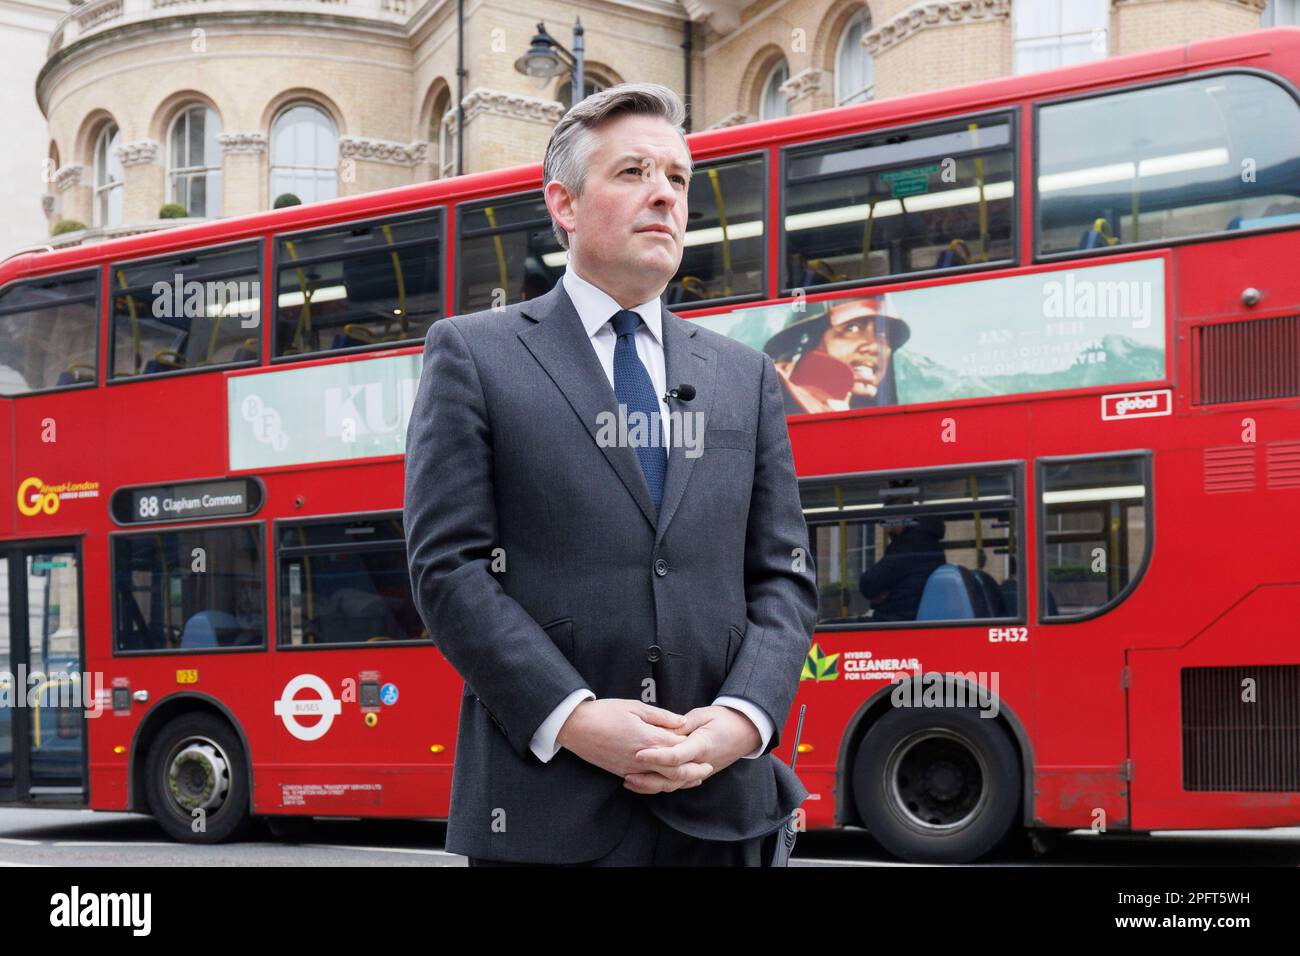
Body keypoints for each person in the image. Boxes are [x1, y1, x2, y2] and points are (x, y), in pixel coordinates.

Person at [403, 82, 818, 866]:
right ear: (563, 204)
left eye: (677, 178)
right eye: (632, 173)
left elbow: (785, 577)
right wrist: (575, 719)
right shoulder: (473, 353)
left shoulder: (746, 376)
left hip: (726, 809)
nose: (663, 194)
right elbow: (447, 568)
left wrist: (741, 720)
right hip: (546, 813)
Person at [762, 296, 910, 414]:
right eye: (852, 328)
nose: (875, 346)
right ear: (807, 340)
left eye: (882, 333)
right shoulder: (776, 395)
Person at [859, 515, 947, 622]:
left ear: (898, 519)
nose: (887, 528)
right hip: (913, 616)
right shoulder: (931, 543)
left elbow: (869, 585)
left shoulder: (906, 545)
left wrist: (884, 595)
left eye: (886, 521)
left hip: (899, 620)